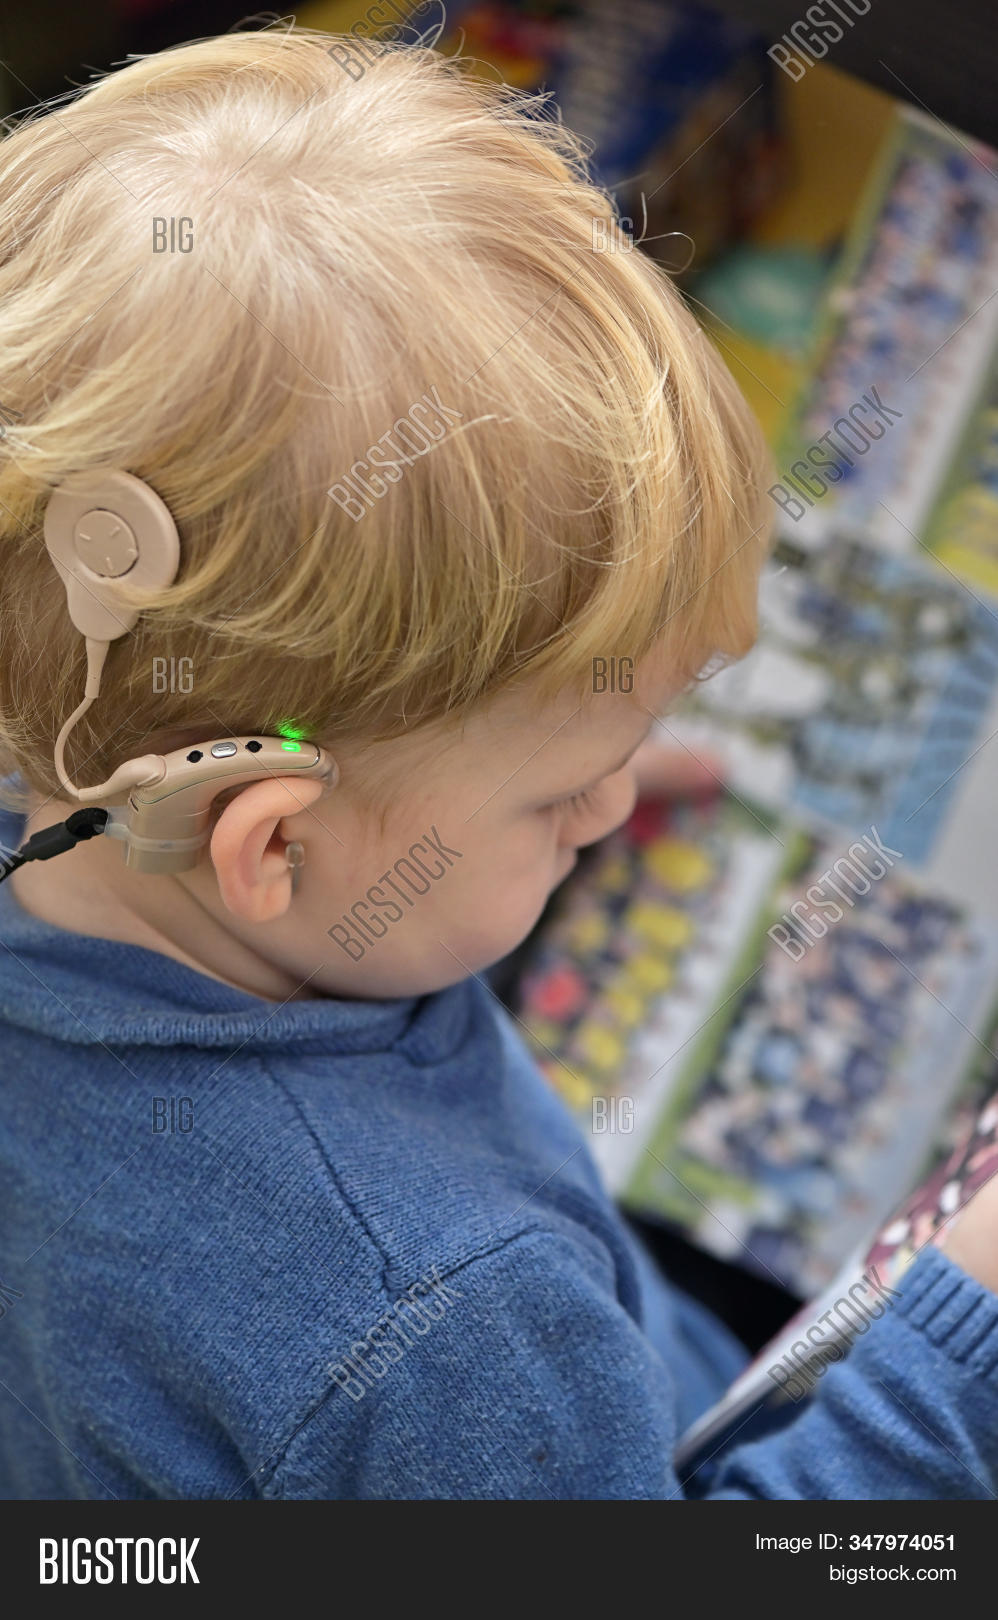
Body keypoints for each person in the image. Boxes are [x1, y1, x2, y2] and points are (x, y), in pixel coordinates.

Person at [0, 26, 996, 1500]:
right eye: (559, 791)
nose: (604, 804)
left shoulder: (77, 759)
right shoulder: (437, 1324)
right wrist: (957, 1344)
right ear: (267, 843)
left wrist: (479, 782)